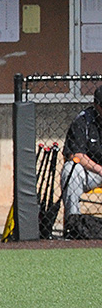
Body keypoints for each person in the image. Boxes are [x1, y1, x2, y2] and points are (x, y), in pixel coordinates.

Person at [59, 87, 102, 228]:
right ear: (97, 105)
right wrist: (100, 170)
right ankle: (73, 224)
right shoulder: (83, 120)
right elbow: (76, 155)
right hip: (92, 172)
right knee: (70, 169)